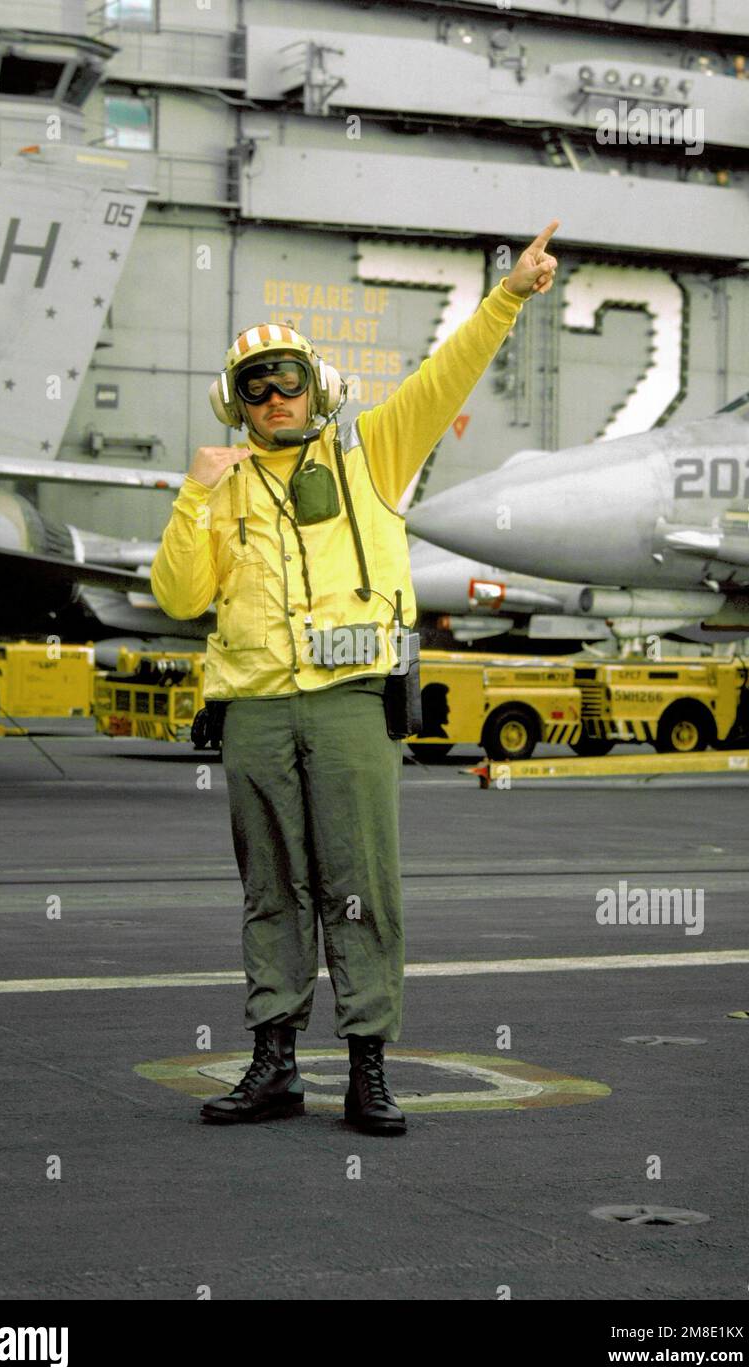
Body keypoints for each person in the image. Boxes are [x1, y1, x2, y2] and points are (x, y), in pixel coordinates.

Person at [150, 221, 560, 1135]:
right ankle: (274, 1063)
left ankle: (369, 1066)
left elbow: (442, 377)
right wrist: (193, 491)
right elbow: (179, 596)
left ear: (318, 385)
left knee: (360, 883)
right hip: (255, 710)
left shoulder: (374, 450)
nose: (273, 395)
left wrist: (510, 295)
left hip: (348, 707)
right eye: (255, 386)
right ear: (236, 403)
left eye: (288, 377)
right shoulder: (225, 488)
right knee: (271, 890)